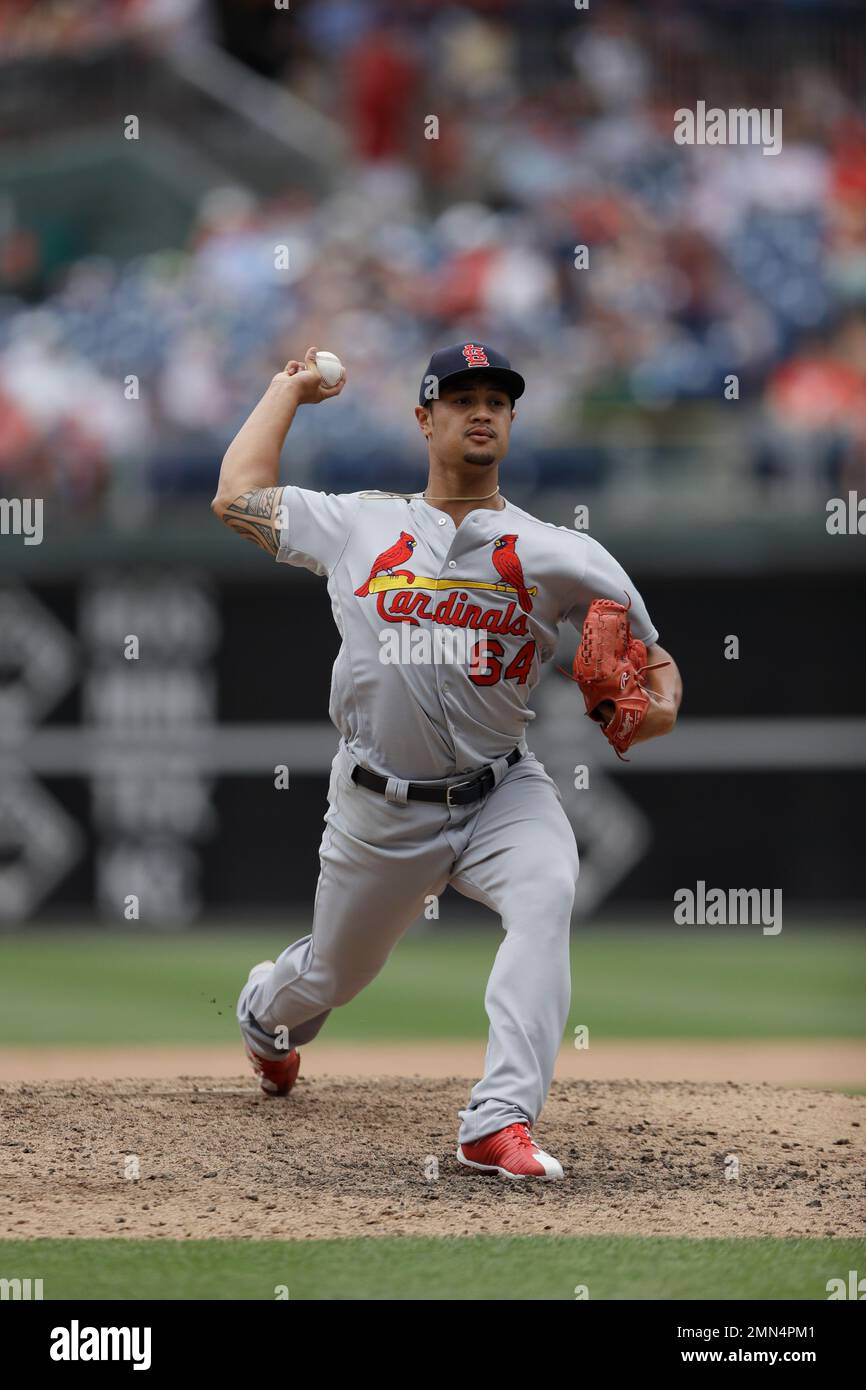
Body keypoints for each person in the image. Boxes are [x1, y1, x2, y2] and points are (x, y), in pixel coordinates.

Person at [211, 341, 682, 1180]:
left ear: (512, 421)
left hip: (504, 790)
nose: (481, 412)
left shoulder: (562, 554)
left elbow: (659, 673)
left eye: (497, 401)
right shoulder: (359, 524)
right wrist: (287, 391)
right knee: (329, 977)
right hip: (379, 807)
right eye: (462, 400)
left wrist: (649, 712)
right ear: (424, 420)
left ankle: (497, 1121)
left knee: (547, 891)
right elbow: (237, 498)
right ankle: (263, 1014)